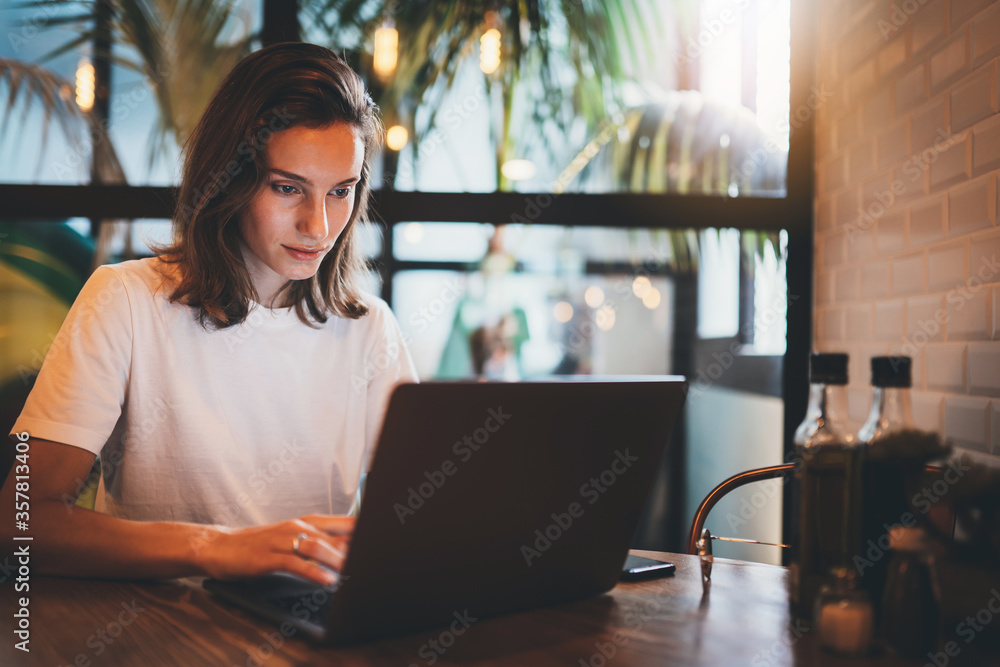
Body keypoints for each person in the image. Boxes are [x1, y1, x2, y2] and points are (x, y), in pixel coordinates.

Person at [1, 43, 417, 587]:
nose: (318, 226)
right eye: (287, 188)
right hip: (160, 629)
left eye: (340, 191)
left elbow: (423, 518)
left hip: (309, 636)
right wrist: (212, 548)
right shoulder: (125, 300)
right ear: (230, 179)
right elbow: (23, 521)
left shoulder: (369, 327)